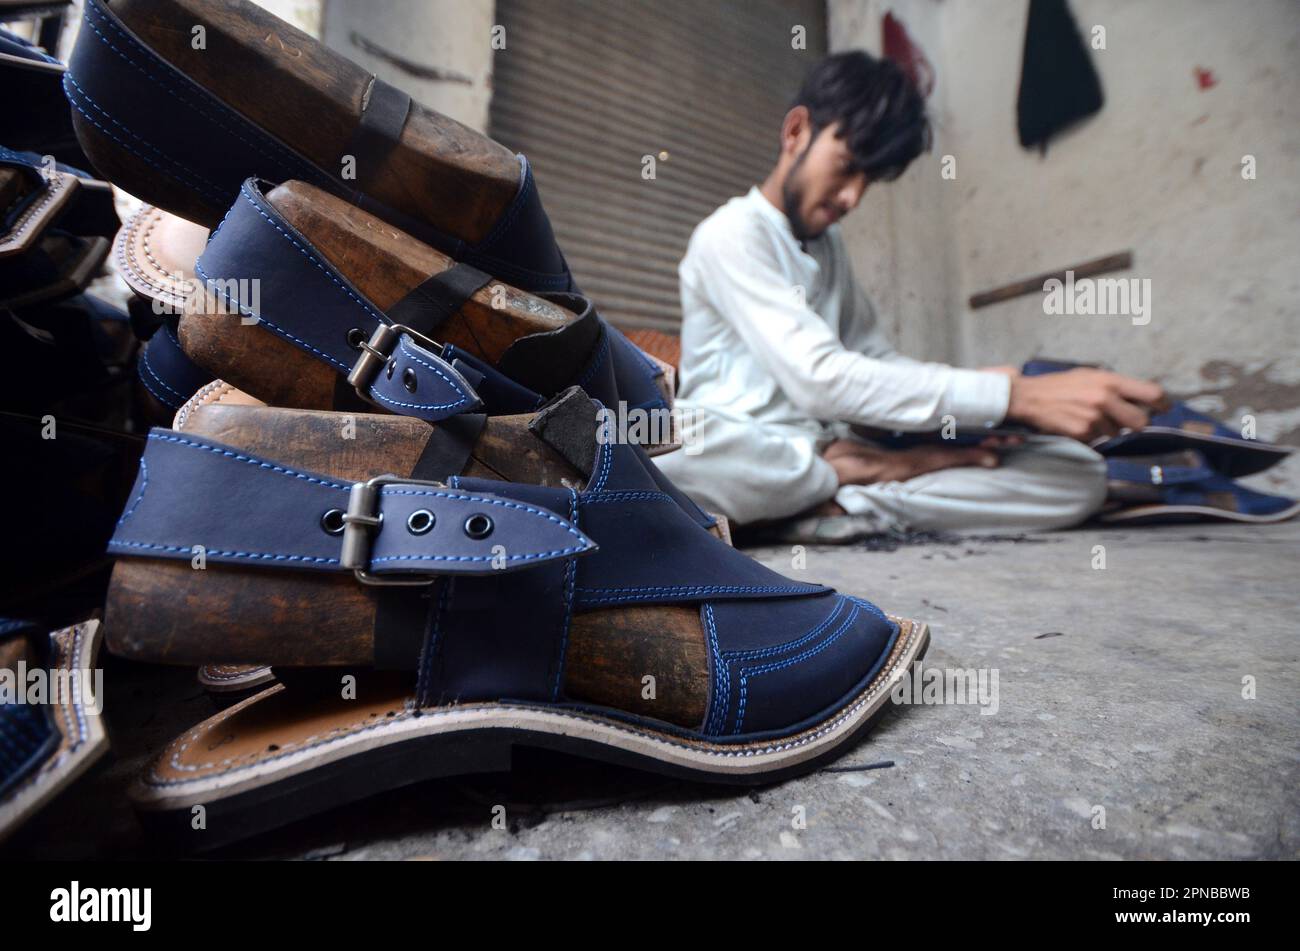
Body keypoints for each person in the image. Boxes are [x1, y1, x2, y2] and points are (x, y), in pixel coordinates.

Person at [653, 51, 1164, 533]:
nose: (853, 197)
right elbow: (820, 381)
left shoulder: (828, 247)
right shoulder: (731, 232)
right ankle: (846, 481)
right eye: (848, 166)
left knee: (1074, 475)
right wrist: (1013, 397)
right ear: (796, 131)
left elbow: (874, 358)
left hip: (834, 448)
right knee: (667, 446)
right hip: (748, 449)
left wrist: (985, 397)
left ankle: (843, 496)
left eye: (868, 180)